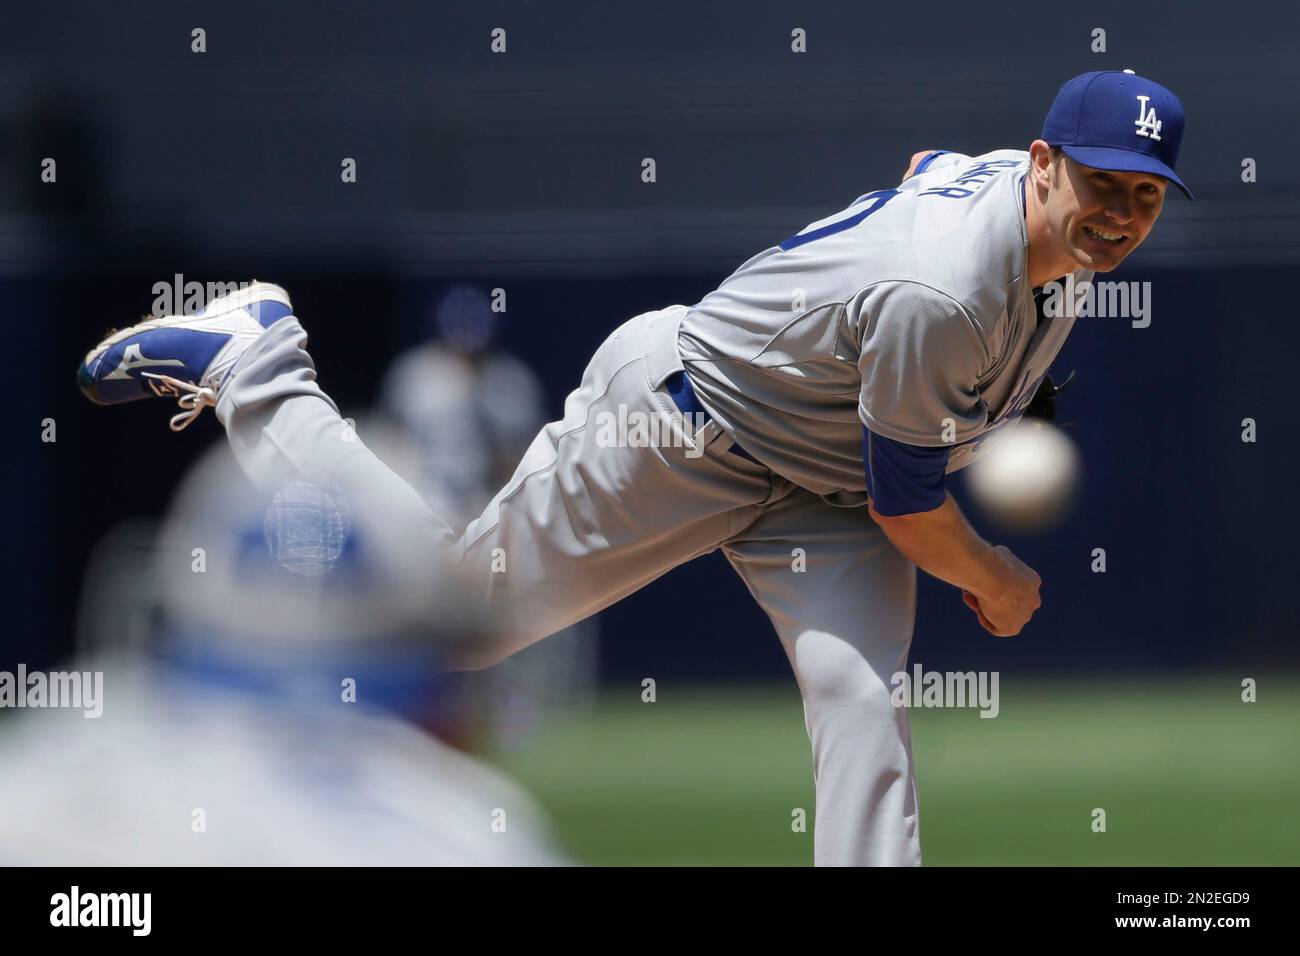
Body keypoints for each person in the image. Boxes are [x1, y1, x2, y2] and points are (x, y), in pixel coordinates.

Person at [76, 71, 1191, 865]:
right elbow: (910, 504)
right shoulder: (942, 291)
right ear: (1043, 164)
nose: (1121, 211)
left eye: (1144, 193)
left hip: (824, 474)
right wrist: (993, 572)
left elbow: (925, 170)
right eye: (1102, 181)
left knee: (861, 699)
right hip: (686, 426)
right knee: (450, 612)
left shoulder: (1023, 209)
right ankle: (259, 358)